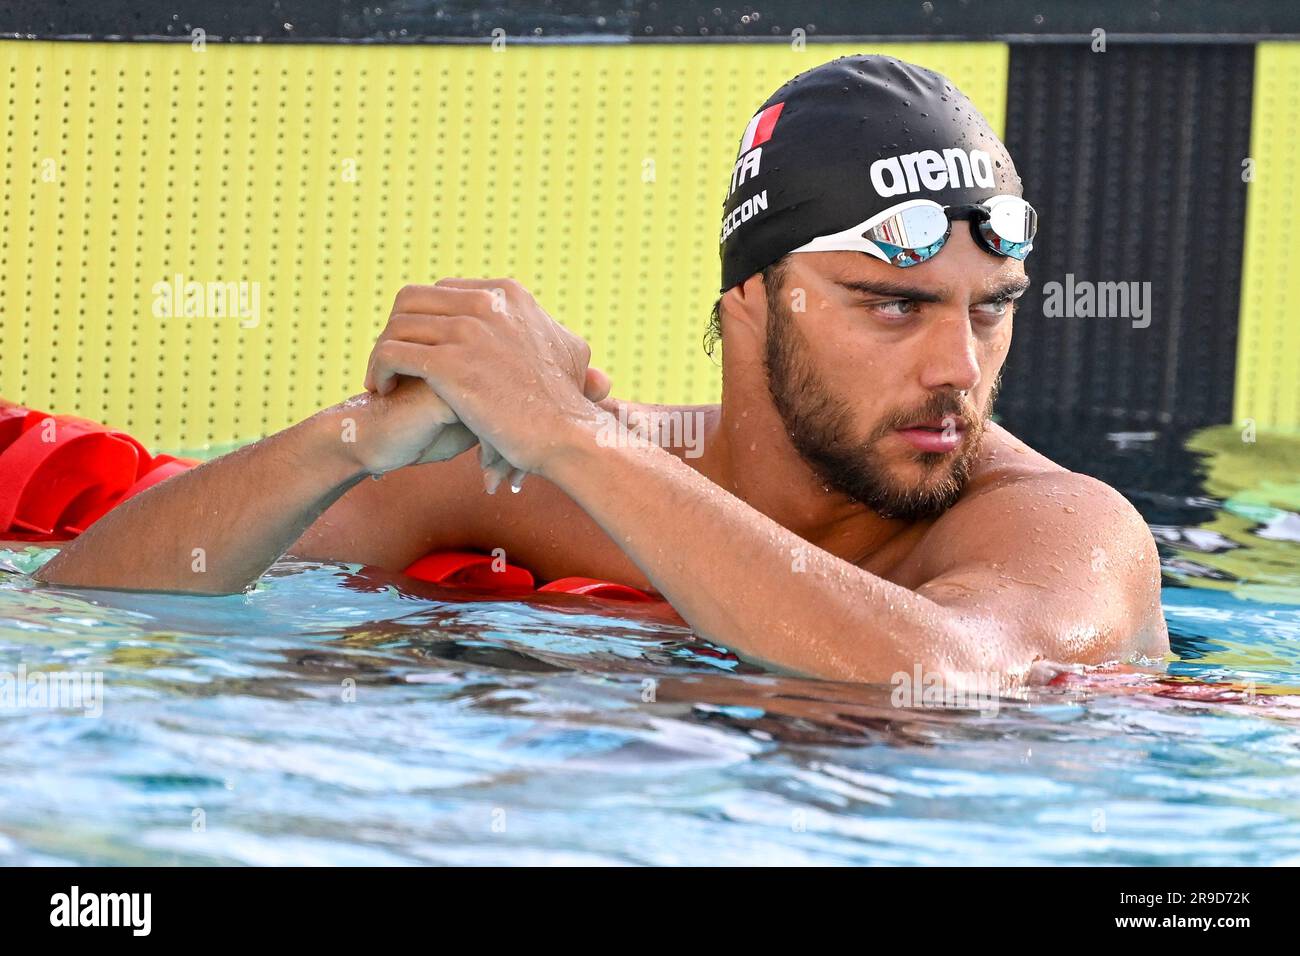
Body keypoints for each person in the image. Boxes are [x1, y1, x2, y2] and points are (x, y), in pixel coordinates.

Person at [35, 54, 1170, 685]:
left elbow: (952, 685)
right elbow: (104, 600)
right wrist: (353, 441)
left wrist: (574, 437)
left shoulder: (1061, 525)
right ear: (749, 302)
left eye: (991, 312)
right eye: (894, 306)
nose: (957, 368)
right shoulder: (570, 472)